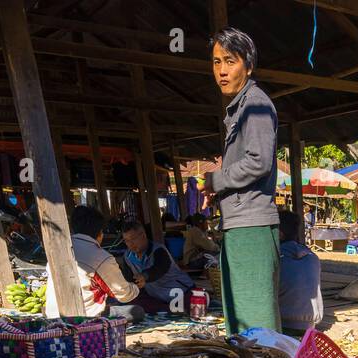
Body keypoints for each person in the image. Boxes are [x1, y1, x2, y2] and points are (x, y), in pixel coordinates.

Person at [203, 27, 280, 333]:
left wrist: (217, 179)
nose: (221, 71)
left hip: (252, 226)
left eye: (230, 61)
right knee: (239, 321)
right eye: (216, 62)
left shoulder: (256, 105)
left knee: (256, 326)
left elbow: (259, 161)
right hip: (238, 223)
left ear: (248, 66)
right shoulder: (239, 108)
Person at [44, 204, 145, 322]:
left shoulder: (58, 249)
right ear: (100, 233)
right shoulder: (101, 257)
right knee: (137, 311)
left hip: (52, 315)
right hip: (84, 318)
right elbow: (123, 295)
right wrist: (135, 287)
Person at [120, 220, 194, 314]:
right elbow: (129, 279)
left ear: (143, 235)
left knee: (195, 304)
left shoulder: (158, 250)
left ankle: (168, 310)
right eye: (127, 241)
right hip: (157, 296)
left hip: (180, 292)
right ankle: (167, 310)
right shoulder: (127, 256)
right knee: (134, 303)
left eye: (133, 239)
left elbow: (159, 269)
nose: (130, 244)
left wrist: (144, 276)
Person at [276, 208, 322, 336]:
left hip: (284, 324)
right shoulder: (312, 256)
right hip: (311, 324)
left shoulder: (276, 258)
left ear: (279, 234)